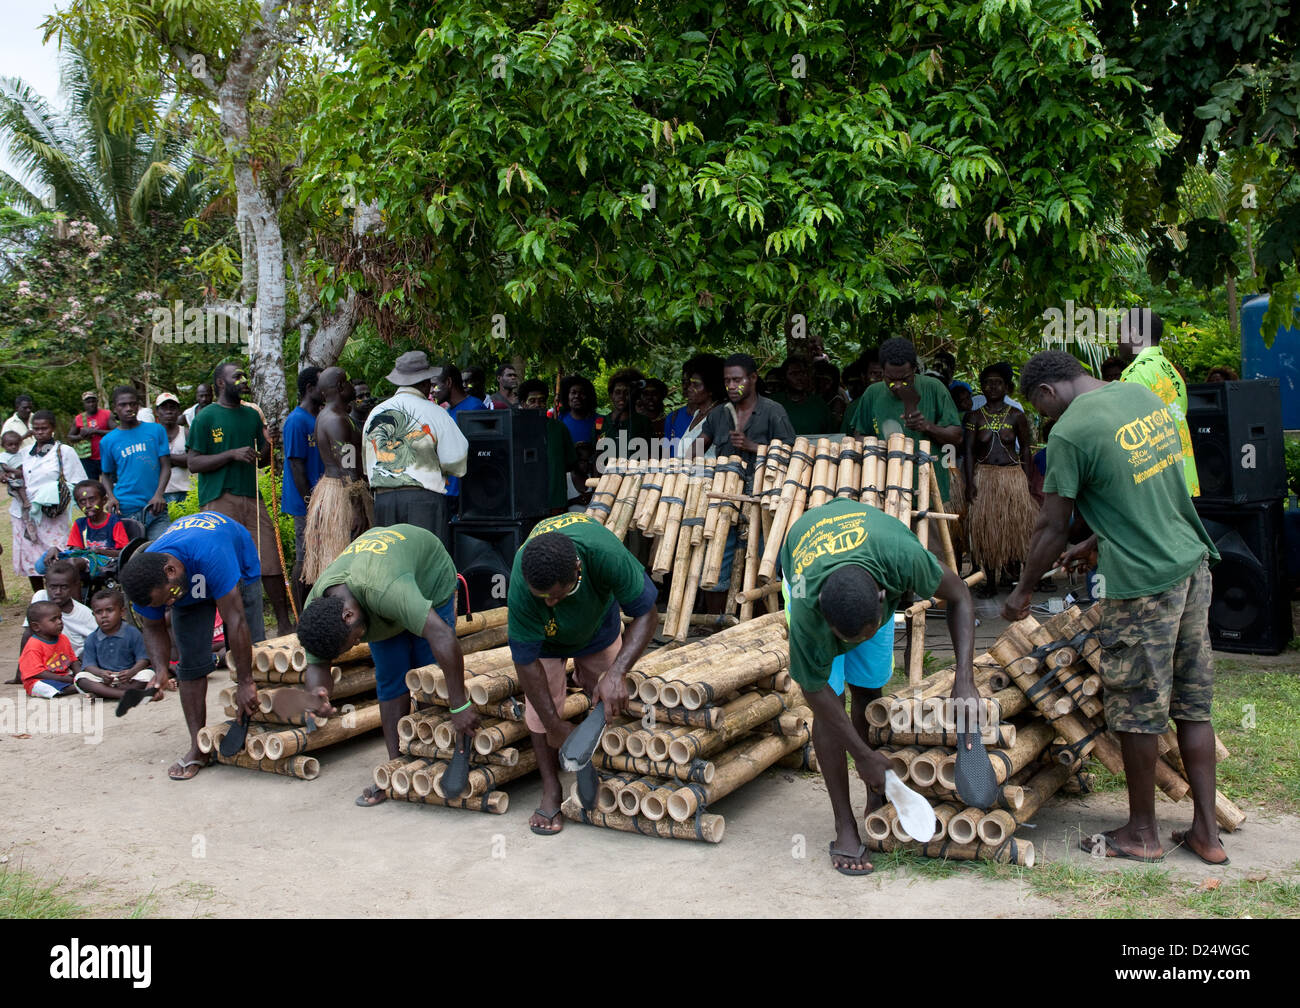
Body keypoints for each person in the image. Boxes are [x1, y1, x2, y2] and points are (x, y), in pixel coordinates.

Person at [1005, 350, 1224, 865]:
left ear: (1045, 393)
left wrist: (1020, 593)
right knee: (1193, 706)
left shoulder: (1069, 432)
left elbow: (1051, 527)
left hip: (1144, 588)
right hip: (1192, 568)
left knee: (1136, 712)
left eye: (1043, 410)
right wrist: (1098, 541)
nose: (1046, 419)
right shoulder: (1141, 395)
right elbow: (1141, 491)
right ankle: (1207, 834)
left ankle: (1143, 834)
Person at [781, 498, 978, 875]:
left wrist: (964, 678)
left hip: (872, 561)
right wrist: (861, 753)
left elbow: (960, 596)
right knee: (831, 704)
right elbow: (814, 693)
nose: (851, 643)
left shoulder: (903, 558)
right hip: (806, 556)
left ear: (884, 599)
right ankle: (845, 827)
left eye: (864, 634)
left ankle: (875, 797)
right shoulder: (809, 609)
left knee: (870, 693)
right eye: (843, 638)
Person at [294, 525, 478, 806]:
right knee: (391, 678)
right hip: (382, 595)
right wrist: (317, 695)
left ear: (348, 615)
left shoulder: (383, 588)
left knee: (428, 675)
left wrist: (459, 705)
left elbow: (443, 636)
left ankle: (437, 759)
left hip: (428, 575)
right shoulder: (319, 611)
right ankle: (397, 768)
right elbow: (318, 665)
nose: (357, 646)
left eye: (351, 643)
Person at [508, 514, 659, 835]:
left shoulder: (605, 554)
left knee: (611, 694)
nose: (550, 602)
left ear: (577, 569)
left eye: (557, 595)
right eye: (543, 596)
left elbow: (647, 613)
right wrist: (553, 725)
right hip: (546, 639)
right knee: (540, 710)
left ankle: (598, 763)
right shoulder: (524, 581)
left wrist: (617, 673)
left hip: (596, 623)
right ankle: (551, 787)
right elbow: (524, 660)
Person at [121, 511, 265, 780]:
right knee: (190, 664)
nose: (169, 606)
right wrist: (161, 669)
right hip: (189, 581)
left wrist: (245, 681)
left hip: (234, 562)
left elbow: (235, 621)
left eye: (169, 598)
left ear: (171, 571)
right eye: (162, 605)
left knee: (256, 657)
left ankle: (263, 725)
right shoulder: (147, 582)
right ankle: (198, 747)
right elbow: (152, 626)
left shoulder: (211, 553)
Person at [187, 361, 293, 636]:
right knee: (225, 564)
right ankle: (230, 629)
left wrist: (270, 445)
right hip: (219, 499)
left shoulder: (250, 415)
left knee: (268, 556)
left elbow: (261, 462)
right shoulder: (205, 417)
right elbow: (193, 463)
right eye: (237, 376)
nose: (244, 379)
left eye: (244, 375)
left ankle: (284, 625)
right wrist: (231, 454)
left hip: (251, 498)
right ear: (221, 383)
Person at [695, 353, 796, 607]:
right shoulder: (718, 414)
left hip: (764, 497)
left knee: (766, 560)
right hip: (724, 498)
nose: (731, 386)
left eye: (737, 380)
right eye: (727, 381)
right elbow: (696, 449)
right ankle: (715, 623)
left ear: (752, 378)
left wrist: (754, 447)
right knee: (716, 560)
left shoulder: (774, 411)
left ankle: (770, 619)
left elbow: (793, 453)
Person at [363, 351, 469, 550]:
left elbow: (368, 467)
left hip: (384, 501)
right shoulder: (435, 412)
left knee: (391, 565)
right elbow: (457, 460)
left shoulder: (375, 413)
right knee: (426, 566)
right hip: (425, 503)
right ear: (425, 383)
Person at [841, 338, 962, 506]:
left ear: (915, 370)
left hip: (930, 492)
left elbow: (956, 437)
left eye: (905, 379)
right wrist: (883, 448)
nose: (897, 385)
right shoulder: (872, 394)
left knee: (931, 532)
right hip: (884, 491)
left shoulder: (934, 388)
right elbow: (859, 437)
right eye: (890, 379)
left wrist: (927, 427)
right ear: (882, 371)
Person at [962, 363, 1037, 595]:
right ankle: (991, 581)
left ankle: (1012, 577)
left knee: (1012, 529)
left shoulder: (1017, 416)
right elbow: (969, 451)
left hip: (1011, 477)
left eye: (998, 383)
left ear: (1007, 386)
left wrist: (1026, 479)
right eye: (988, 383)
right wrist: (970, 482)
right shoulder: (974, 416)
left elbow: (1025, 448)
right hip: (984, 476)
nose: (992, 387)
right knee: (987, 531)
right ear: (981, 387)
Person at [1117, 309, 1200, 499]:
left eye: (1120, 332)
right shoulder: (1169, 370)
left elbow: (1128, 432)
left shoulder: (1135, 373)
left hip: (1156, 483)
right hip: (1180, 475)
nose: (1118, 341)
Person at [304, 367, 372, 582]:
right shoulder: (336, 420)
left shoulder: (334, 416)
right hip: (342, 494)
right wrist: (357, 509)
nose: (353, 386)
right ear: (341, 387)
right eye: (349, 382)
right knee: (344, 561)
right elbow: (348, 467)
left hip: (335, 488)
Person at [15, 410, 88, 589]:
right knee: (31, 557)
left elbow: (78, 482)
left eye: (44, 428)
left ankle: (62, 591)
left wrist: (52, 494)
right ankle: (39, 594)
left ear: (52, 428)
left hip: (53, 513)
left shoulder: (63, 452)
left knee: (57, 555)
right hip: (28, 515)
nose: (40, 432)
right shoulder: (26, 453)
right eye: (36, 429)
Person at [99, 385, 171, 541]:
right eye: (123, 405)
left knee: (162, 552)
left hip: (155, 507)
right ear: (115, 408)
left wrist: (159, 494)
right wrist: (111, 497)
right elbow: (105, 475)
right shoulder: (108, 441)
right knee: (131, 558)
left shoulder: (156, 430)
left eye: (132, 404)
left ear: (138, 406)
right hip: (126, 509)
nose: (128, 408)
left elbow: (166, 466)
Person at [282, 367, 325, 608]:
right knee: (304, 557)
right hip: (304, 503)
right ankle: (300, 612)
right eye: (321, 385)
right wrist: (310, 502)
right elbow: (296, 464)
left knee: (316, 556)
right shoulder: (296, 421)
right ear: (310, 389)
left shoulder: (317, 418)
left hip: (319, 500)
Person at [40, 479, 129, 583]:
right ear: (78, 505)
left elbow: (123, 553)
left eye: (92, 500)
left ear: (104, 500)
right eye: (82, 502)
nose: (87, 505)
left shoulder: (113, 522)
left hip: (106, 562)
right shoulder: (80, 524)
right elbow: (77, 551)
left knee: (72, 565)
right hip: (84, 558)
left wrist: (100, 551)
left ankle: (72, 595)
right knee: (49, 561)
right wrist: (56, 550)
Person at [74, 589, 153, 701]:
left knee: (148, 674)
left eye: (109, 610)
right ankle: (123, 695)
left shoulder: (133, 633)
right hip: (105, 679)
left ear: (122, 612)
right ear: (93, 614)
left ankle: (104, 694)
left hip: (129, 677)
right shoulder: (92, 638)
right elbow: (89, 665)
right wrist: (101, 673)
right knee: (80, 678)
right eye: (98, 612)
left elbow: (144, 659)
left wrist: (132, 672)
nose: (104, 616)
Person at [433, 364, 486, 518]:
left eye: (436, 386)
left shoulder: (475, 407)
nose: (433, 391)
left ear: (449, 383)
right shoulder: (446, 411)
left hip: (466, 492)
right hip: (447, 490)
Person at [520, 378, 579, 514]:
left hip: (555, 501)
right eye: (532, 401)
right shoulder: (516, 430)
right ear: (523, 404)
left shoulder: (558, 428)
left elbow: (570, 462)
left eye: (541, 400)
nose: (538, 404)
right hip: (525, 502)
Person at [19, 558, 96, 659]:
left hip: (74, 659)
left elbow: (99, 639)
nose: (58, 592)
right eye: (53, 587)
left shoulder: (84, 614)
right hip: (46, 655)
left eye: (64, 587)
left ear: (74, 587)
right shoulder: (41, 596)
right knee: (28, 633)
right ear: (46, 585)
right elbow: (30, 630)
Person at [664, 353, 723, 458]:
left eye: (695, 385)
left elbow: (692, 455)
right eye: (690, 384)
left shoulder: (719, 414)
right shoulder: (698, 413)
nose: (689, 388)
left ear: (711, 388)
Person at [19, 601, 80, 699]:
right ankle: (77, 688)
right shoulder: (33, 645)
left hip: (63, 676)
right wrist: (63, 679)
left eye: (60, 618)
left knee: (86, 675)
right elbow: (38, 673)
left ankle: (80, 685)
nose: (60, 622)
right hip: (41, 679)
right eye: (53, 620)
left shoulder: (63, 638)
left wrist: (80, 676)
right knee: (41, 687)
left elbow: (73, 661)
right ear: (36, 627)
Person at [772, 353, 833, 436]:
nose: (800, 378)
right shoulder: (774, 403)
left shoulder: (818, 403)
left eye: (803, 373)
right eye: (794, 374)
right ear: (784, 378)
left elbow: (831, 434)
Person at [66, 391, 114, 480]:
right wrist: (81, 436)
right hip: (88, 458)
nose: (91, 404)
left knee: (111, 482)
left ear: (97, 402)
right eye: (88, 402)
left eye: (93, 401)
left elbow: (116, 432)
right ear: (84, 404)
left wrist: (97, 432)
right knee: (92, 485)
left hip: (106, 456)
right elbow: (70, 437)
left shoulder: (106, 414)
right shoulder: (79, 418)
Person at [154, 393, 191, 506]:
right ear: (156, 412)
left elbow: (191, 461)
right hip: (159, 495)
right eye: (164, 408)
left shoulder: (186, 432)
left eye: (172, 408)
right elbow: (150, 462)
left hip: (185, 492)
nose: (168, 412)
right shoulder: (151, 435)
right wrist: (178, 460)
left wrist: (164, 459)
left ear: (179, 411)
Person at [602, 368, 652, 448]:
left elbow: (651, 455)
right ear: (611, 395)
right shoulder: (600, 423)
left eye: (627, 392)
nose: (621, 396)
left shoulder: (644, 422)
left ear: (635, 395)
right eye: (617, 392)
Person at [559, 375, 599, 448]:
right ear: (567, 396)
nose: (577, 396)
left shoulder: (599, 421)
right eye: (573, 393)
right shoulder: (560, 419)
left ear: (589, 397)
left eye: (582, 393)